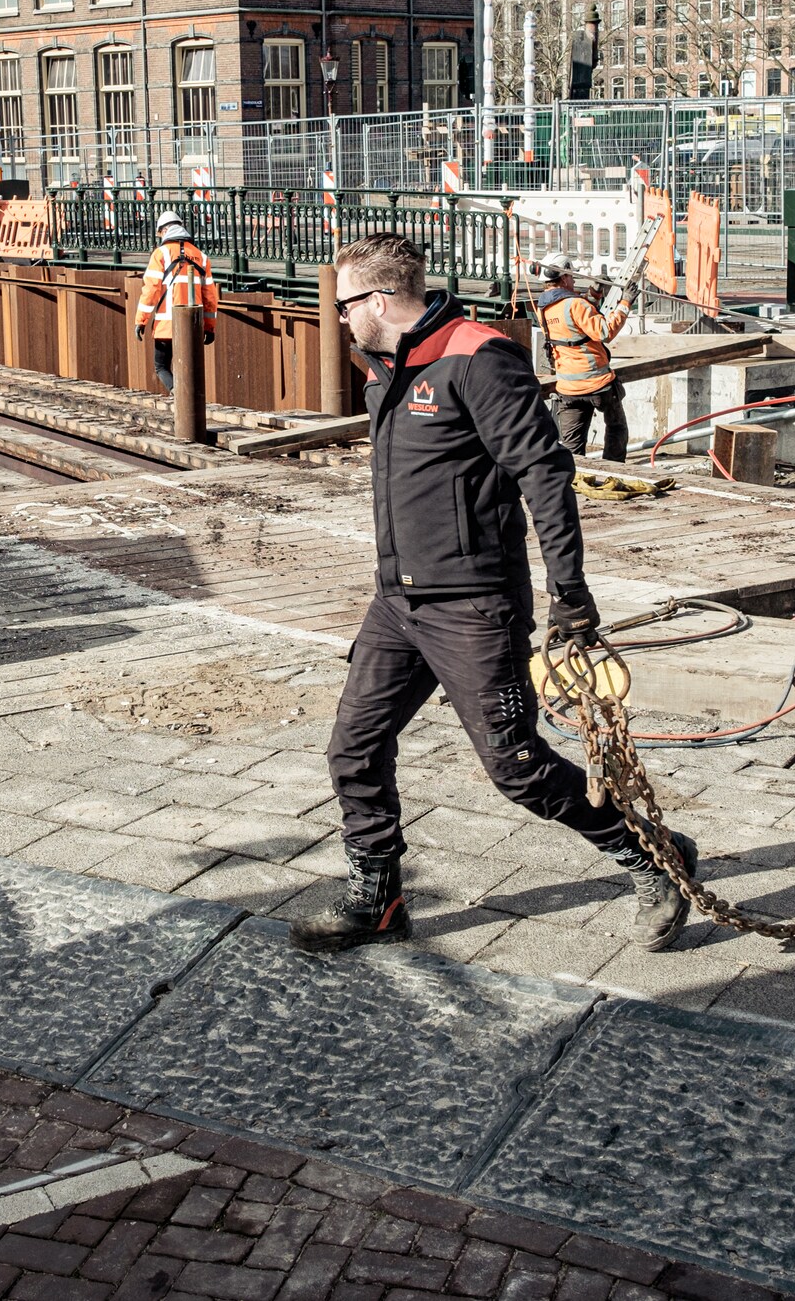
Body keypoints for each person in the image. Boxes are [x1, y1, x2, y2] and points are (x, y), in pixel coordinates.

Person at [289, 232, 699, 957]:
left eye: (347, 303)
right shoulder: (386, 368)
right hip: (398, 603)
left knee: (517, 766)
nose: (341, 317)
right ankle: (377, 897)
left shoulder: (475, 359)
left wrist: (571, 595)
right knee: (352, 747)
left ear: (378, 300)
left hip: (473, 604)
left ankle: (653, 855)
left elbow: (546, 475)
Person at [534, 253, 629, 460]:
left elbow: (573, 321)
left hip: (568, 389)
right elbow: (605, 332)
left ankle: (573, 483)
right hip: (598, 384)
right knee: (616, 428)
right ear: (565, 277)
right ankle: (615, 473)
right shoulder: (577, 305)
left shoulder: (542, 309)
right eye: (572, 277)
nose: (574, 280)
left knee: (571, 445)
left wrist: (594, 295)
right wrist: (625, 304)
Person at [133, 210, 218, 395]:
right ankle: (189, 402)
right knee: (189, 369)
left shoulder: (161, 253)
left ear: (163, 231)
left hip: (166, 327)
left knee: (161, 366)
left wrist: (141, 321)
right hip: (192, 327)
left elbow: (151, 290)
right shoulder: (201, 257)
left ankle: (179, 396)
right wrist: (210, 327)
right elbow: (210, 296)